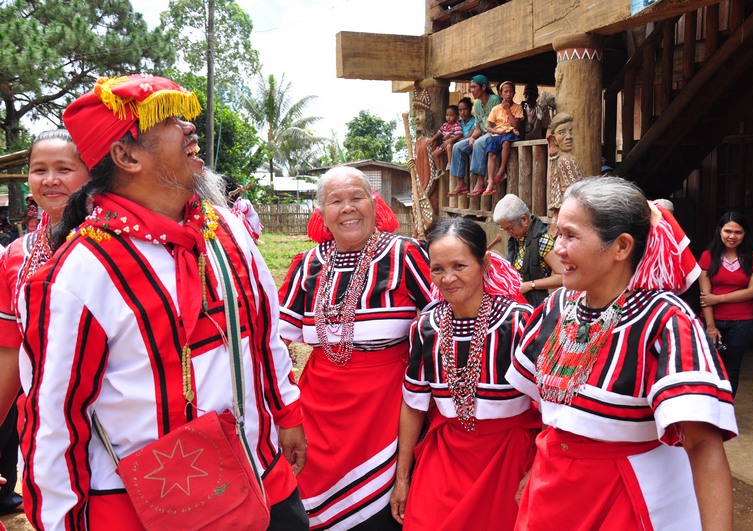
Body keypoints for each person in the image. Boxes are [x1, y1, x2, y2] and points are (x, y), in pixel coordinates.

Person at [18, 74, 308, 530]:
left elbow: (264, 339)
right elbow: (54, 423)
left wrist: (287, 415)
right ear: (127, 156)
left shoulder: (226, 230)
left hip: (264, 480)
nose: (189, 127)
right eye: (169, 119)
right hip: (147, 509)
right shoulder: (76, 274)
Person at [507, 176, 737, 530]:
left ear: (621, 246)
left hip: (627, 499)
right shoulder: (556, 308)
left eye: (570, 236)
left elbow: (703, 446)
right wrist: (535, 466)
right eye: (557, 235)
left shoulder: (665, 321)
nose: (558, 249)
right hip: (551, 491)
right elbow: (547, 411)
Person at [278, 166, 433, 530]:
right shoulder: (307, 265)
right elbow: (274, 341)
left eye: (357, 198)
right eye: (336, 201)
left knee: (380, 515)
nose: (347, 208)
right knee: (310, 504)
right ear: (322, 213)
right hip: (318, 411)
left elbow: (443, 323)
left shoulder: (405, 255)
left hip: (387, 410)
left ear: (374, 204)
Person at [389, 217, 539, 530]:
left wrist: (537, 468)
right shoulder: (425, 328)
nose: (447, 278)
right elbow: (414, 405)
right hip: (445, 457)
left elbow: (552, 405)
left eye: (459, 266)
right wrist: (402, 478)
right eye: (437, 269)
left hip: (508, 459)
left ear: (484, 264)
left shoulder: (520, 323)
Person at [0, 130, 91, 517]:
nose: (50, 180)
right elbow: (10, 350)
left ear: (92, 173)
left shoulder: (119, 244)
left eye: (64, 169)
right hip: (46, 425)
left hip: (122, 421)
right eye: (39, 170)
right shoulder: (16, 256)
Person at [698, 212, 753, 398]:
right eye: (728, 231)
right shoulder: (708, 256)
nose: (732, 236)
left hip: (742, 323)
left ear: (745, 233)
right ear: (720, 231)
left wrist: (718, 299)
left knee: (732, 370)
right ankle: (709, 411)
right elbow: (705, 296)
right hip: (711, 321)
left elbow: (752, 292)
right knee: (708, 370)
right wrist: (711, 327)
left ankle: (725, 409)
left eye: (738, 232)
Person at [493, 194, 563, 306]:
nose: (508, 233)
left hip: (535, 304)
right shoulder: (517, 239)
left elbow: (562, 277)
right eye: (504, 229)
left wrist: (530, 285)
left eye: (510, 228)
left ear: (524, 219)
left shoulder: (542, 240)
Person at [450, 75, 502, 197]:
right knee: (457, 147)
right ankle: (461, 184)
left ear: (483, 87)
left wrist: (476, 139)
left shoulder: (495, 100)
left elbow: (497, 125)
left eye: (473, 87)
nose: (471, 90)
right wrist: (472, 137)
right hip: (483, 134)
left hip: (495, 133)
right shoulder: (478, 105)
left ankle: (480, 182)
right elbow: (478, 129)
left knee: (478, 143)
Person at [483, 81, 524, 196]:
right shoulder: (495, 109)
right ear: (500, 94)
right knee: (491, 153)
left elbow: (515, 125)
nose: (508, 94)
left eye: (511, 92)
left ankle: (501, 170)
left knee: (506, 142)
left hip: (511, 132)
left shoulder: (517, 107)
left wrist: (508, 110)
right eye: (505, 91)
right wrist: (496, 131)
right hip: (498, 134)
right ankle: (491, 181)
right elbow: (488, 127)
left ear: (514, 93)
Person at [546, 112, 583, 219]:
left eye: (571, 132)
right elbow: (576, 187)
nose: (569, 137)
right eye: (562, 133)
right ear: (554, 139)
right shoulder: (565, 159)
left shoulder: (565, 158)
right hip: (570, 204)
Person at [448, 98, 476, 197]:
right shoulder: (459, 122)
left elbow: (469, 137)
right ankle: (459, 183)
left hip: (471, 144)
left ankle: (461, 184)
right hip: (461, 145)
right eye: (460, 110)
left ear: (470, 109)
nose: (462, 112)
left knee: (456, 147)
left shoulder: (475, 121)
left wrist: (454, 139)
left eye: (465, 109)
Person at [426, 105, 462, 176]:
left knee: (449, 146)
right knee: (434, 154)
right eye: (447, 115)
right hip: (443, 144)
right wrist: (432, 139)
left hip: (452, 144)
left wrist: (450, 137)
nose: (448, 117)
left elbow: (459, 135)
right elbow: (439, 132)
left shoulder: (457, 125)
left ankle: (449, 163)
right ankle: (439, 170)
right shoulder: (444, 125)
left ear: (456, 116)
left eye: (451, 115)